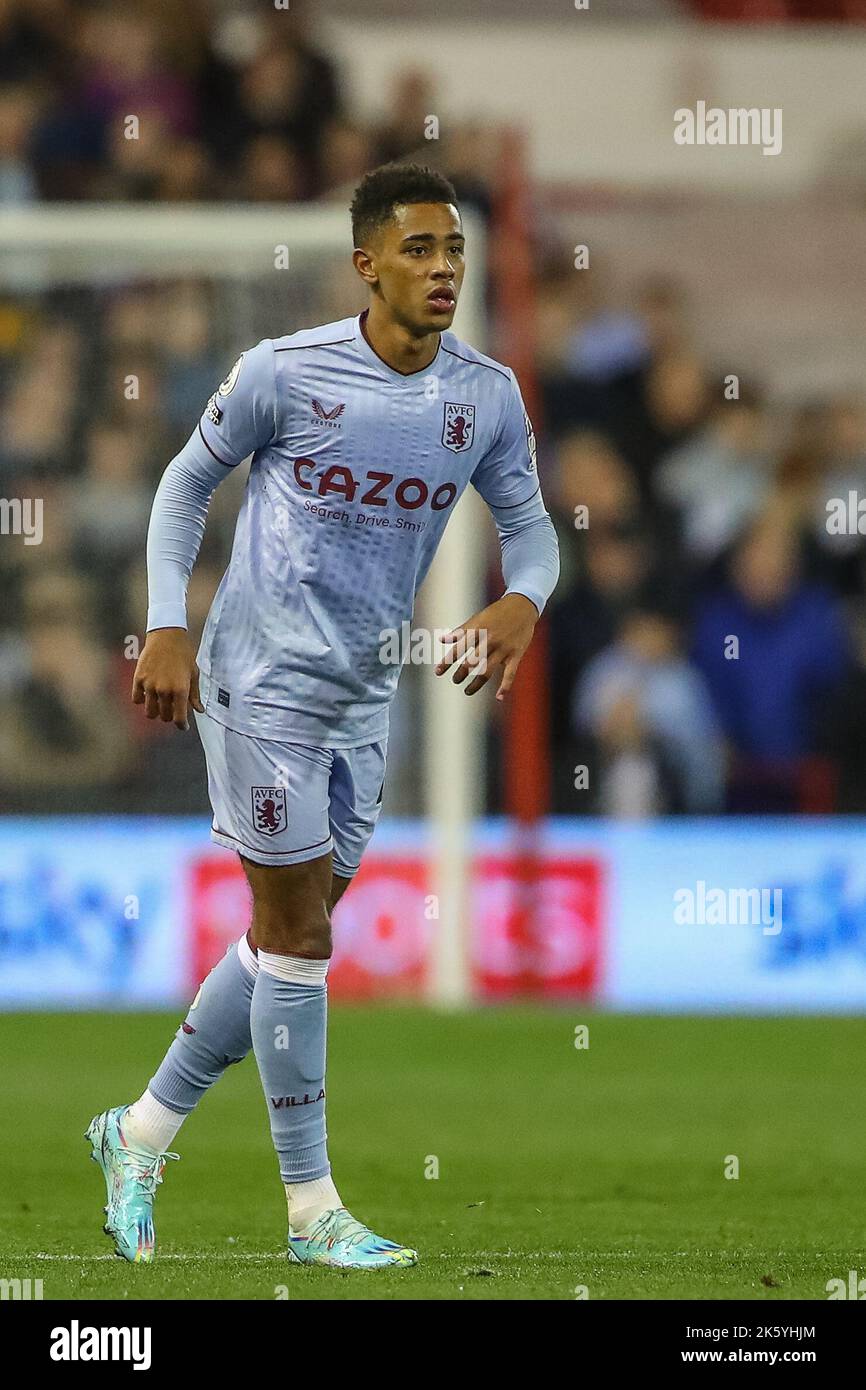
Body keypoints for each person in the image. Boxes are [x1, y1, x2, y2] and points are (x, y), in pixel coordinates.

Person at [86, 162, 560, 1271]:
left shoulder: (481, 396)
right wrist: (166, 625)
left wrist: (516, 600)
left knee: (279, 940)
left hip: (363, 699)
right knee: (301, 937)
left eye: (453, 252)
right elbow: (181, 483)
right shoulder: (284, 374)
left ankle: (140, 1129)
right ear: (364, 264)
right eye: (417, 251)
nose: (442, 269)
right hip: (256, 687)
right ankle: (312, 1213)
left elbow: (531, 530)